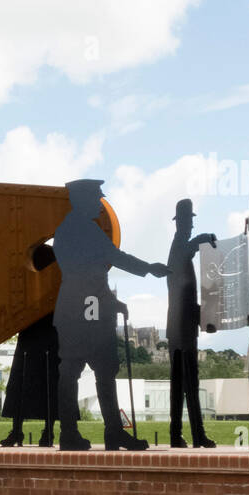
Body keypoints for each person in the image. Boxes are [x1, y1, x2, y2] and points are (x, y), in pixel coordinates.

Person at [52, 180, 168, 451]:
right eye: (95, 199)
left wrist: (112, 302)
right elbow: (111, 259)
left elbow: (89, 274)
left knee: (70, 372)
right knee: (101, 372)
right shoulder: (85, 229)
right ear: (82, 200)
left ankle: (70, 433)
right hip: (88, 314)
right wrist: (149, 268)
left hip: (73, 310)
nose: (99, 204)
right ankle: (112, 432)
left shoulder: (66, 230)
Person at [166, 198, 217, 448]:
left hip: (178, 328)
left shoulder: (179, 249)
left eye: (191, 222)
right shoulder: (179, 248)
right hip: (182, 330)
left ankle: (177, 435)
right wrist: (202, 239)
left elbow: (184, 296)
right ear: (179, 223)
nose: (190, 226)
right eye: (187, 222)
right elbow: (188, 249)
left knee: (179, 386)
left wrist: (204, 315)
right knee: (190, 385)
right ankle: (197, 435)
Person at [0, 313, 60, 447]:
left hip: (46, 329)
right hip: (33, 329)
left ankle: (46, 433)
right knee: (20, 383)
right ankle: (19, 432)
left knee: (49, 383)